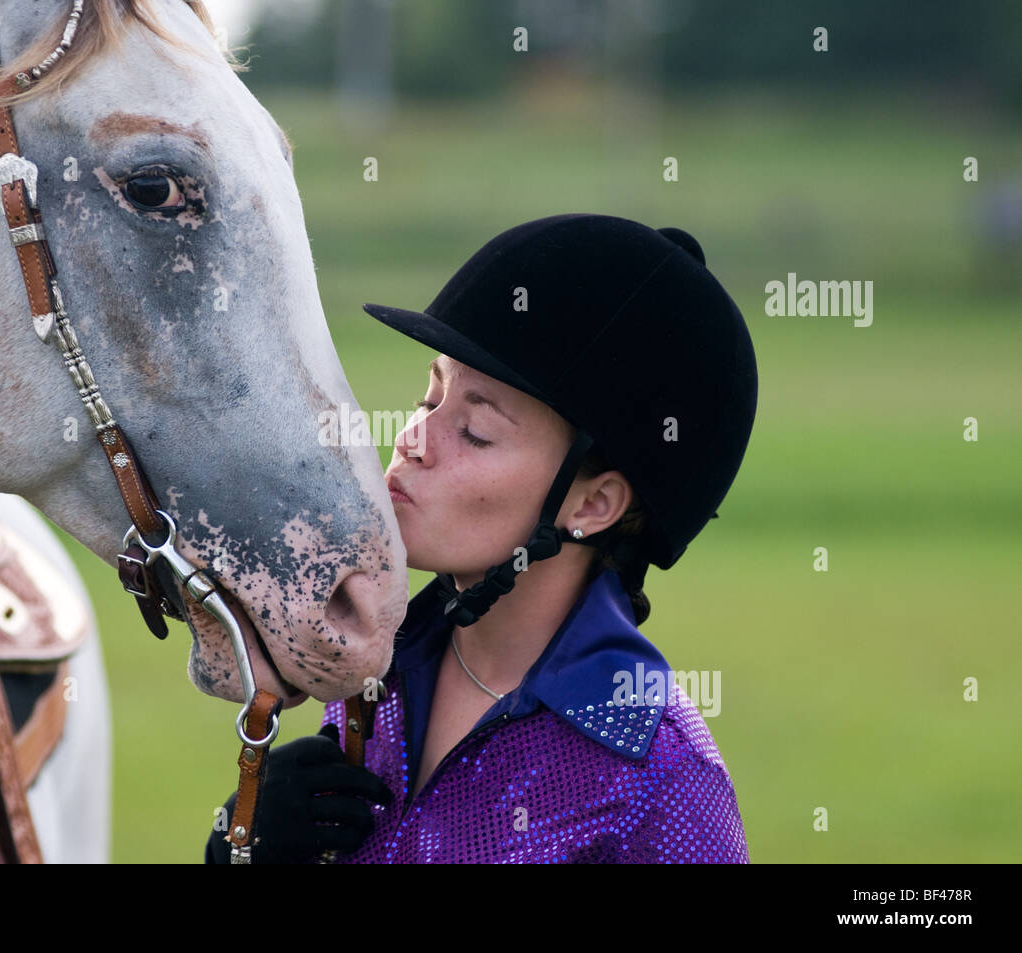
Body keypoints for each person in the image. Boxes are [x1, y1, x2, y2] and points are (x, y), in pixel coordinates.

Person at [206, 213, 758, 863]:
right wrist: (237, 844)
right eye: (428, 397)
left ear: (593, 502)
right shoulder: (375, 680)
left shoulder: (662, 783)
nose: (413, 438)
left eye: (475, 431)